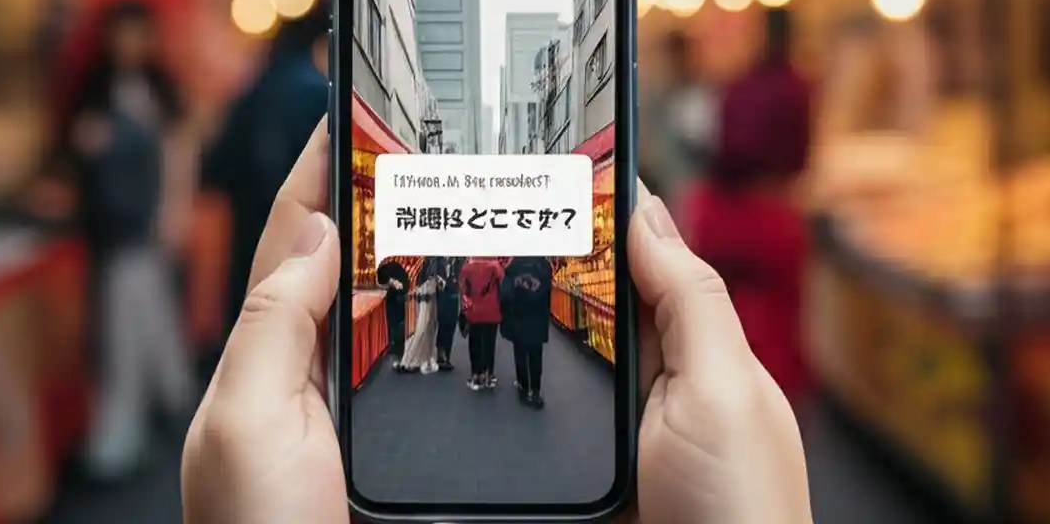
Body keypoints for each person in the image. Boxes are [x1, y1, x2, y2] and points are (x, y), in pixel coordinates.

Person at [181, 125, 814, 524]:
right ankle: (518, 383)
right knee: (512, 360)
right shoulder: (520, 265)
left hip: (488, 320)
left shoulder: (486, 269)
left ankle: (490, 376)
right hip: (518, 327)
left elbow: (484, 290)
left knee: (478, 353)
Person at [66, 0, 193, 478]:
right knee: (139, 319)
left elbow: (180, 156)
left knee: (132, 322)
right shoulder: (95, 91)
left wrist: (173, 210)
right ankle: (167, 399)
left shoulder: (160, 91)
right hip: (110, 223)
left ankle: (124, 429)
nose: (130, 44)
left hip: (145, 221)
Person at [680, 6, 812, 402]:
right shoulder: (798, 88)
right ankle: (774, 414)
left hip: (718, 214)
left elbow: (714, 144)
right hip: (770, 217)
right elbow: (801, 160)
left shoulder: (735, 87)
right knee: (778, 323)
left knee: (720, 315)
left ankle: (722, 399)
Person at [203, 0, 329, 348]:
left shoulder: (253, 91)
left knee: (251, 328)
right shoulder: (317, 94)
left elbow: (215, 169)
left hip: (248, 236)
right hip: (305, 238)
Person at [504, 256, 553, 409]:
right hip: (538, 316)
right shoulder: (544, 266)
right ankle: (536, 390)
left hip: (519, 315)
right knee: (536, 354)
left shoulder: (514, 266)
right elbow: (547, 290)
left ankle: (523, 385)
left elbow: (506, 293)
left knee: (520, 352)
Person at [459, 256, 504, 391]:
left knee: (475, 342)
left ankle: (476, 375)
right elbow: (502, 284)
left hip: (474, 310)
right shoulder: (496, 267)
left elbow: (462, 286)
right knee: (489, 343)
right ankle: (489, 375)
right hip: (492, 310)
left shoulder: (467, 267)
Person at [396, 258, 442, 374]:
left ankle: (418, 358)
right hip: (424, 289)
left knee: (428, 326)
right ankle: (409, 360)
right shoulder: (424, 260)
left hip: (428, 289)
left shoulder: (429, 259)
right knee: (422, 326)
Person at [375, 261, 410, 364]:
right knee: (396, 323)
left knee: (398, 323)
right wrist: (392, 282)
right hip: (396, 297)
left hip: (401, 296)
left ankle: (399, 350)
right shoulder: (391, 263)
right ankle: (398, 351)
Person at [434, 256, 462, 371]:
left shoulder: (459, 260)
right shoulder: (438, 260)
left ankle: (447, 355)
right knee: (442, 324)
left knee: (451, 325)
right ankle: (441, 354)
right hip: (441, 295)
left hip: (454, 296)